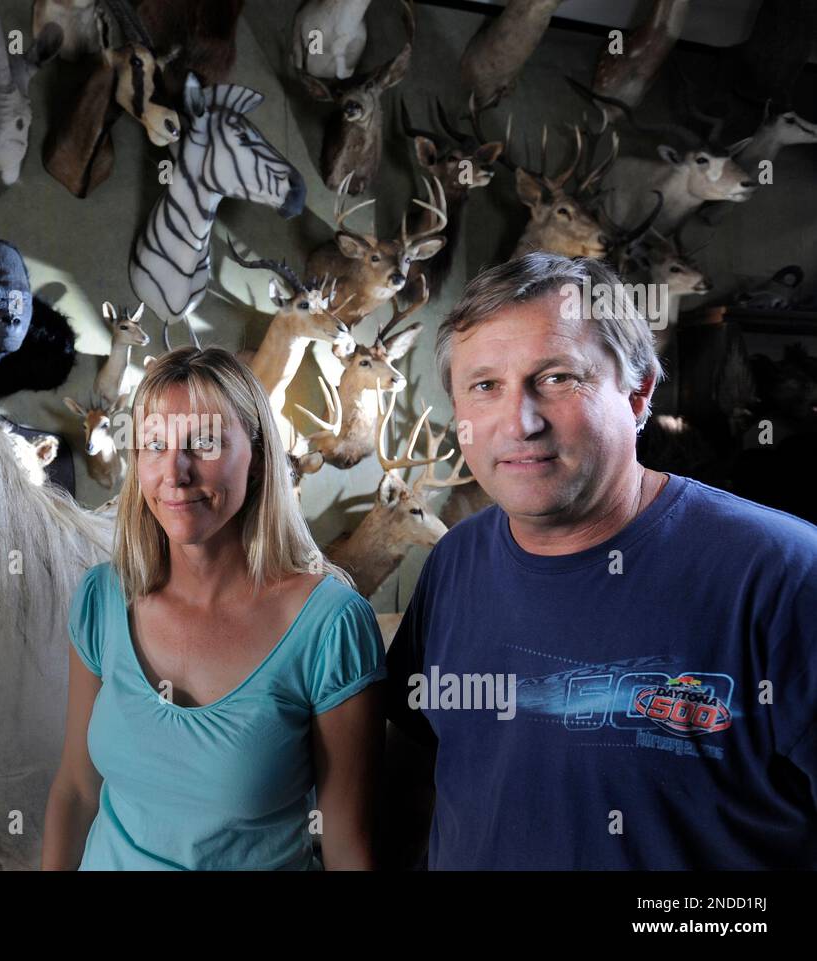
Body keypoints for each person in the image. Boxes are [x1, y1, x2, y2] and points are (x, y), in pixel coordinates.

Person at [384, 252, 817, 869]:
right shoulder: (454, 563)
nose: (521, 421)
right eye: (485, 387)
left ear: (638, 395)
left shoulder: (785, 576)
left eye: (558, 378)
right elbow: (413, 776)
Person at [42, 347, 387, 870]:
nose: (175, 474)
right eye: (155, 444)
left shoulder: (330, 626)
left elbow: (347, 846)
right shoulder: (102, 598)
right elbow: (75, 790)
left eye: (203, 443)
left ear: (258, 460)